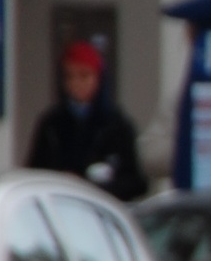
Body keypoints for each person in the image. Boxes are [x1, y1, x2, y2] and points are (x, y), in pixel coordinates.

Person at [26, 40, 150, 200]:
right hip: (60, 204)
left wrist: (91, 185)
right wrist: (60, 180)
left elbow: (136, 182)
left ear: (98, 78)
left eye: (84, 76)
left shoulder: (117, 125)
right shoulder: (51, 124)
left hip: (100, 206)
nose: (75, 83)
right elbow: (34, 173)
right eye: (69, 76)